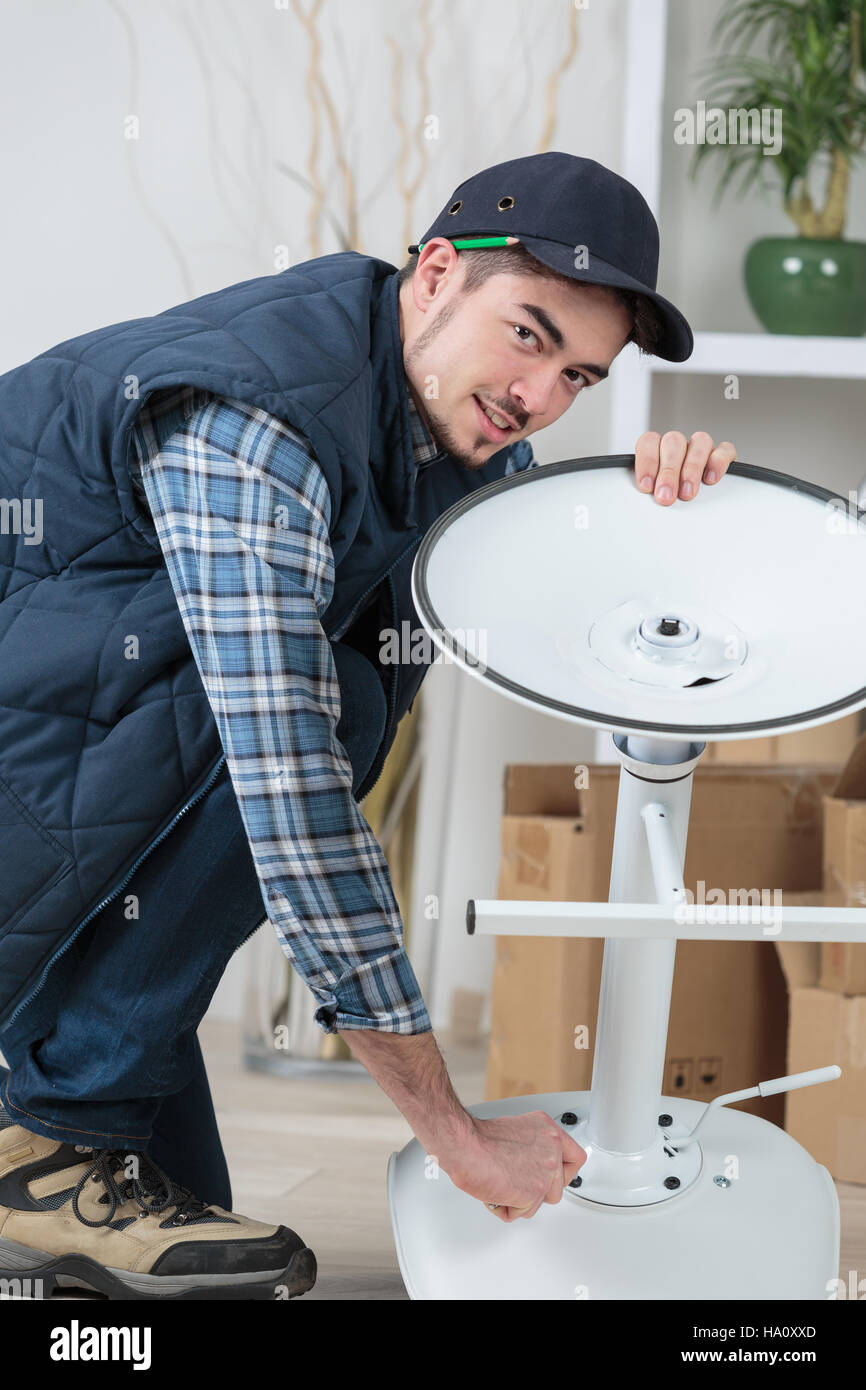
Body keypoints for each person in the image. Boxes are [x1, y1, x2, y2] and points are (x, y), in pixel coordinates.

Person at [0, 152, 736, 1300]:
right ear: (435, 273)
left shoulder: (449, 434)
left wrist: (663, 515)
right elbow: (291, 794)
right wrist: (454, 1133)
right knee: (322, 709)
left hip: (51, 807)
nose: (537, 396)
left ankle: (62, 1145)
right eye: (528, 335)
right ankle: (51, 1143)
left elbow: (578, 616)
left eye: (577, 377)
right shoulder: (257, 425)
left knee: (199, 1263)